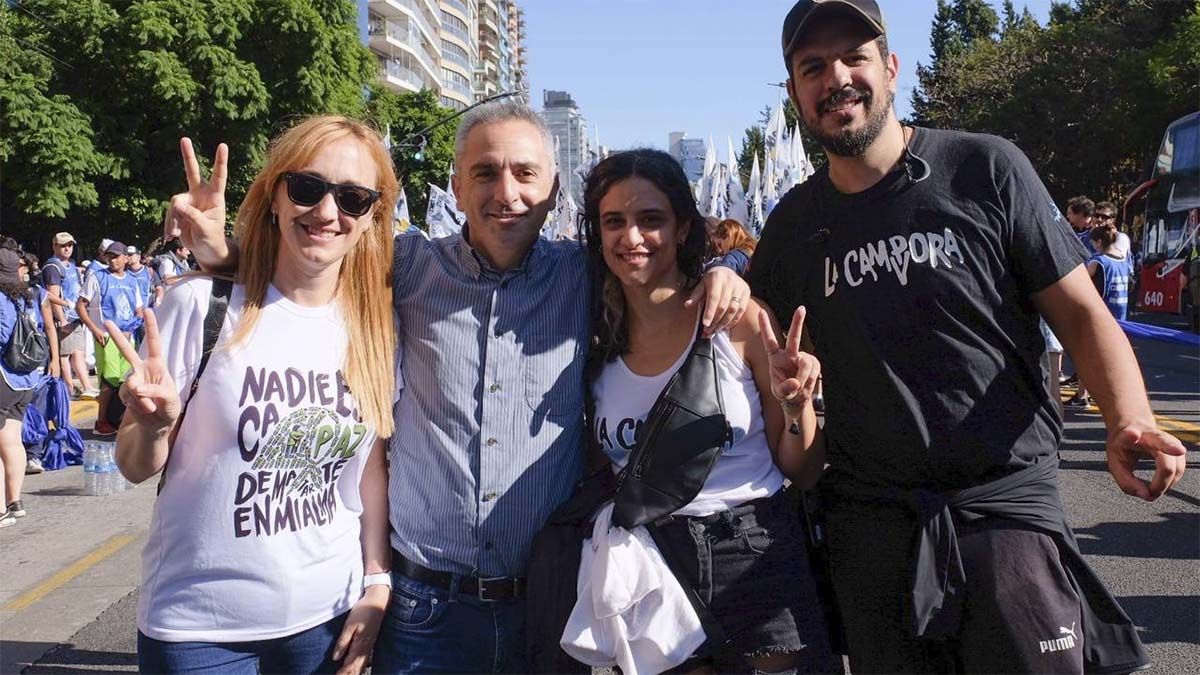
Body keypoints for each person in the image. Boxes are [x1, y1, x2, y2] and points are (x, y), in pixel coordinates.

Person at [179, 99, 751, 674]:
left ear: (553, 191)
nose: (506, 192)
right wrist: (223, 253)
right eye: (485, 172)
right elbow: (310, 265)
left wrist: (723, 277)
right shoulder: (403, 268)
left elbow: (656, 272)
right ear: (456, 187)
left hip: (549, 603)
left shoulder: (585, 276)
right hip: (423, 612)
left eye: (525, 174)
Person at [747, 1, 1186, 673]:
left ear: (890, 70)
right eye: (812, 67)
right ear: (795, 95)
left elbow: (1080, 314)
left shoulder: (985, 169)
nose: (835, 77)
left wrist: (1130, 419)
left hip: (1004, 515)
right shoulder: (790, 231)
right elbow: (766, 371)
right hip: (874, 537)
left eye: (854, 57)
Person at [115, 116, 396, 675]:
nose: (325, 212)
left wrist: (376, 581)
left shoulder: (376, 325)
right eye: (308, 188)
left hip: (328, 621)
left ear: (372, 217)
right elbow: (133, 467)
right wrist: (150, 427)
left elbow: (369, 469)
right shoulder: (201, 306)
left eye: (352, 197)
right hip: (198, 629)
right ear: (274, 197)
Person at [582, 149, 834, 673]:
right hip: (651, 567)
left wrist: (797, 408)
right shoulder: (590, 337)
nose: (632, 237)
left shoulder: (739, 321)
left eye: (651, 219)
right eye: (614, 222)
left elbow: (802, 469)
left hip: (754, 551)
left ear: (681, 229)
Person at [0, 249, 48, 526]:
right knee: (12, 441)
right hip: (25, 378)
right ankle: (14, 501)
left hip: (3, 376)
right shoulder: (27, 296)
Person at [76, 242, 144, 436]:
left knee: (125, 381)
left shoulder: (132, 280)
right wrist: (94, 329)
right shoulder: (98, 277)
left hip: (127, 338)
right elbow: (80, 305)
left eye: (117, 256)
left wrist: (136, 322)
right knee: (109, 380)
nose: (113, 260)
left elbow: (138, 308)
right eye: (110, 256)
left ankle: (118, 418)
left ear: (125, 258)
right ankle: (101, 421)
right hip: (106, 337)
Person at [18, 252, 60, 475]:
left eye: (20, 266)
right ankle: (17, 453)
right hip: (12, 364)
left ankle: (33, 454)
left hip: (37, 359)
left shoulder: (37, 294)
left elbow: (50, 328)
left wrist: (55, 360)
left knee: (38, 406)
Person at [42, 232, 95, 398]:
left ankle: (85, 386)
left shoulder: (71, 265)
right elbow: (53, 296)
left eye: (70, 245)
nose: (67, 248)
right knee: (64, 354)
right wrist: (61, 319)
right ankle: (70, 389)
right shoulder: (53, 267)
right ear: (55, 246)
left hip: (75, 315)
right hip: (65, 317)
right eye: (63, 245)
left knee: (78, 352)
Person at [1087, 223, 1134, 322]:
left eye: (1093, 244)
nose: (1093, 247)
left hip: (1103, 313)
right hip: (1121, 313)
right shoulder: (1124, 261)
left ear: (1099, 242)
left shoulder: (1098, 261)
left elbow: (1083, 280)